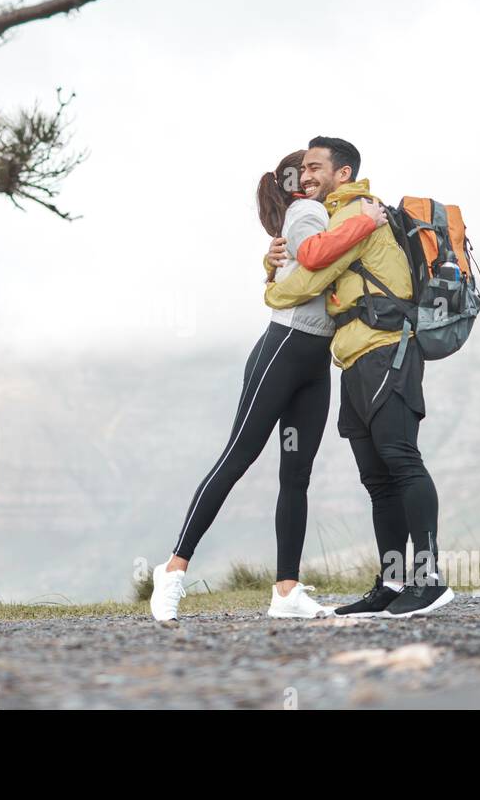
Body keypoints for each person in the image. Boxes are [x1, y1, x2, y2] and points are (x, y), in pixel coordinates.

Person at [149, 148, 384, 623]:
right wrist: (366, 225)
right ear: (297, 180)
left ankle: (286, 591)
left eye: (322, 167)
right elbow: (316, 259)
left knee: (297, 477)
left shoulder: (325, 212)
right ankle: (172, 571)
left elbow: (310, 263)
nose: (315, 175)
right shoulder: (306, 212)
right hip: (284, 347)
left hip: (314, 360)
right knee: (238, 456)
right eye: (309, 169)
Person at [263, 136, 455, 619]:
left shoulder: (357, 215)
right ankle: (392, 583)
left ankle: (429, 580)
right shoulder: (340, 217)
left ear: (342, 173)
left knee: (400, 459)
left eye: (314, 167)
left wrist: (272, 289)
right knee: (377, 478)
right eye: (302, 169)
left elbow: (307, 279)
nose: (304, 176)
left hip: (386, 350)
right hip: (354, 358)